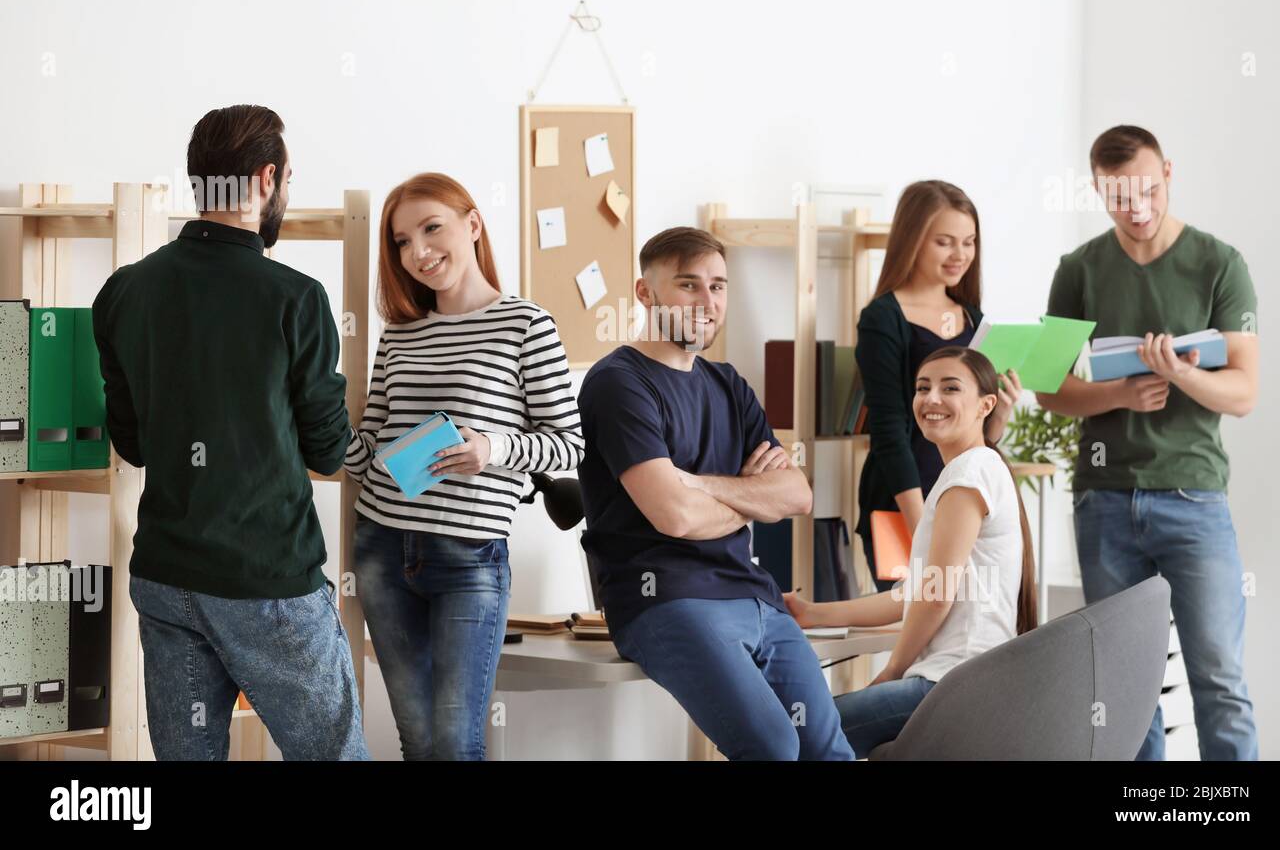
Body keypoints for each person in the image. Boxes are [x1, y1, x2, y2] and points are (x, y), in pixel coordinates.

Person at [92, 104, 367, 760]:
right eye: (289, 178)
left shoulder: (125, 292)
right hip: (264, 580)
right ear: (268, 179)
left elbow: (131, 442)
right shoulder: (294, 297)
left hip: (164, 579)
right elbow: (329, 448)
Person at [577, 226, 854, 761]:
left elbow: (798, 495)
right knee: (773, 746)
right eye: (688, 285)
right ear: (645, 293)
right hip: (666, 599)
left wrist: (701, 484)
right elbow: (674, 517)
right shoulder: (618, 383)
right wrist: (752, 494)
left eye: (719, 286)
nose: (708, 302)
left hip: (754, 595)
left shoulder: (728, 383)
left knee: (826, 747)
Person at [1036, 125, 1259, 760]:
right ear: (1099, 192)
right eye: (1117, 198)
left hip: (1194, 499)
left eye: (1146, 192)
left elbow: (1243, 391)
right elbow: (1050, 390)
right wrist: (1120, 395)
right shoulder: (1078, 270)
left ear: (1167, 171)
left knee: (1219, 679)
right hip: (1104, 500)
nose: (1135, 210)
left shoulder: (1219, 263)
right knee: (1126, 689)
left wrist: (1181, 372)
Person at [344, 173, 583, 760]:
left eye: (432, 229)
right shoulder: (398, 336)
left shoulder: (526, 324)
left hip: (469, 558)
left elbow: (571, 444)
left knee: (455, 743)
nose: (418, 252)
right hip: (380, 547)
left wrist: (492, 449)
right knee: (418, 741)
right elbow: (367, 449)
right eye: (402, 241)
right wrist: (315, 420)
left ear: (472, 224)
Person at [787, 346, 1037, 758]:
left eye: (950, 388)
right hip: (967, 679)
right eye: (923, 388)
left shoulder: (969, 473)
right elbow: (918, 593)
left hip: (949, 682)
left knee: (790, 736)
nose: (932, 399)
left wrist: (892, 671)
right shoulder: (974, 469)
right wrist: (813, 612)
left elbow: (934, 595)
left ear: (985, 405)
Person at [855, 181, 1021, 589]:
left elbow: (982, 437)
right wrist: (922, 529)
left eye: (969, 242)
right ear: (913, 240)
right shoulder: (883, 318)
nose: (960, 255)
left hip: (967, 503)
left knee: (967, 635)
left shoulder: (973, 318)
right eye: (944, 242)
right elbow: (889, 431)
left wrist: (998, 412)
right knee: (909, 626)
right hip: (901, 505)